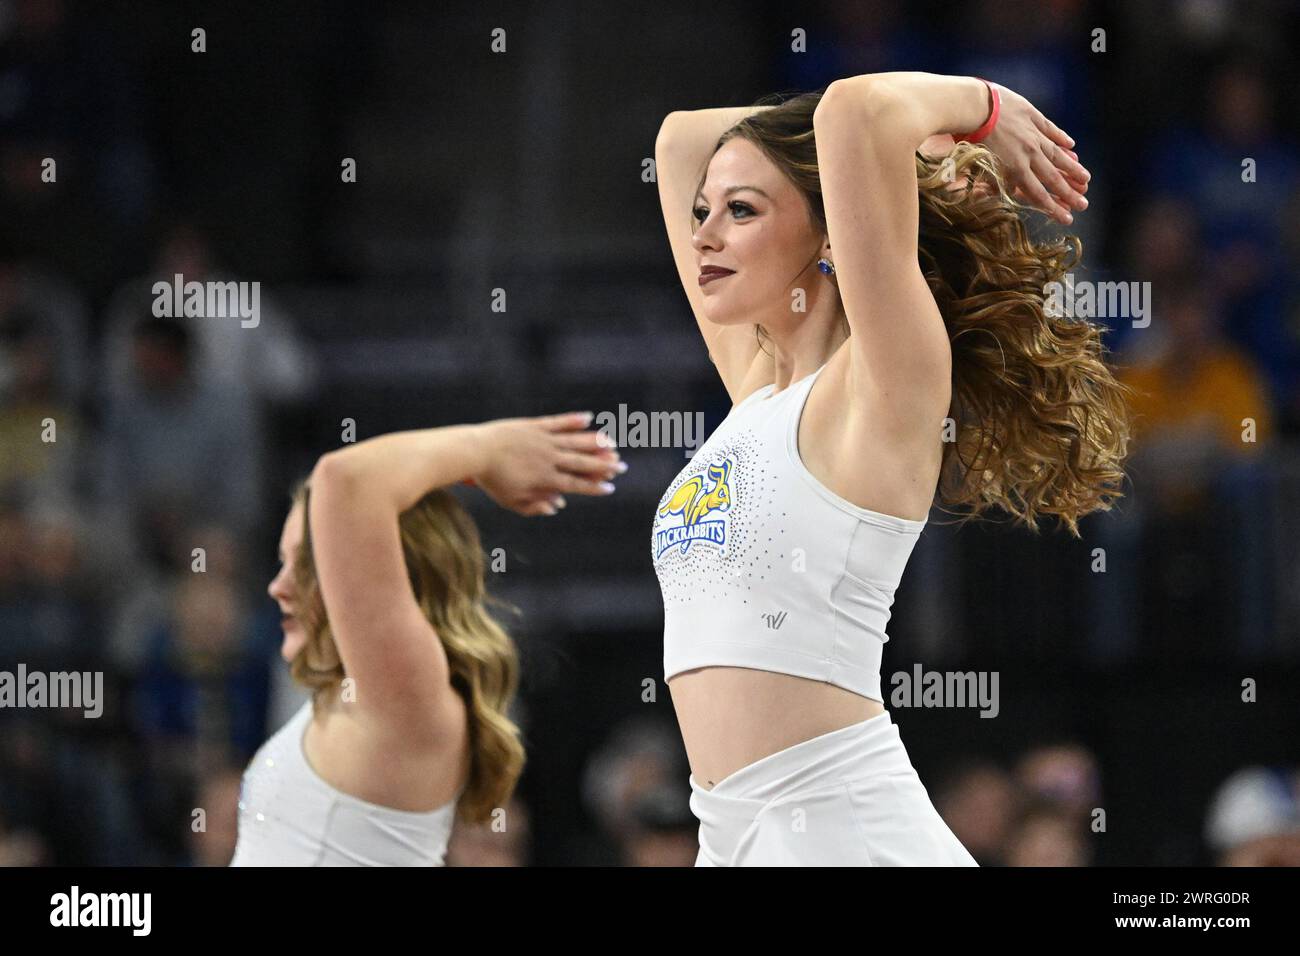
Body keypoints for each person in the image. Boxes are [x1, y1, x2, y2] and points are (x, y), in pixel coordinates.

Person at [651, 72, 1131, 865]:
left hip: (836, 821)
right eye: (706, 210)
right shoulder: (756, 390)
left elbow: (857, 111)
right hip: (733, 831)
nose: (704, 234)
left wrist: (984, 109)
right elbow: (680, 136)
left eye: (742, 211)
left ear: (832, 234)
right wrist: (893, 151)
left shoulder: (883, 380)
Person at [230, 414, 624, 865]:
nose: (278, 588)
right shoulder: (361, 697)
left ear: (402, 570)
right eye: (282, 564)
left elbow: (347, 479)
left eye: (304, 567)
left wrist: (490, 450)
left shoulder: (407, 700)